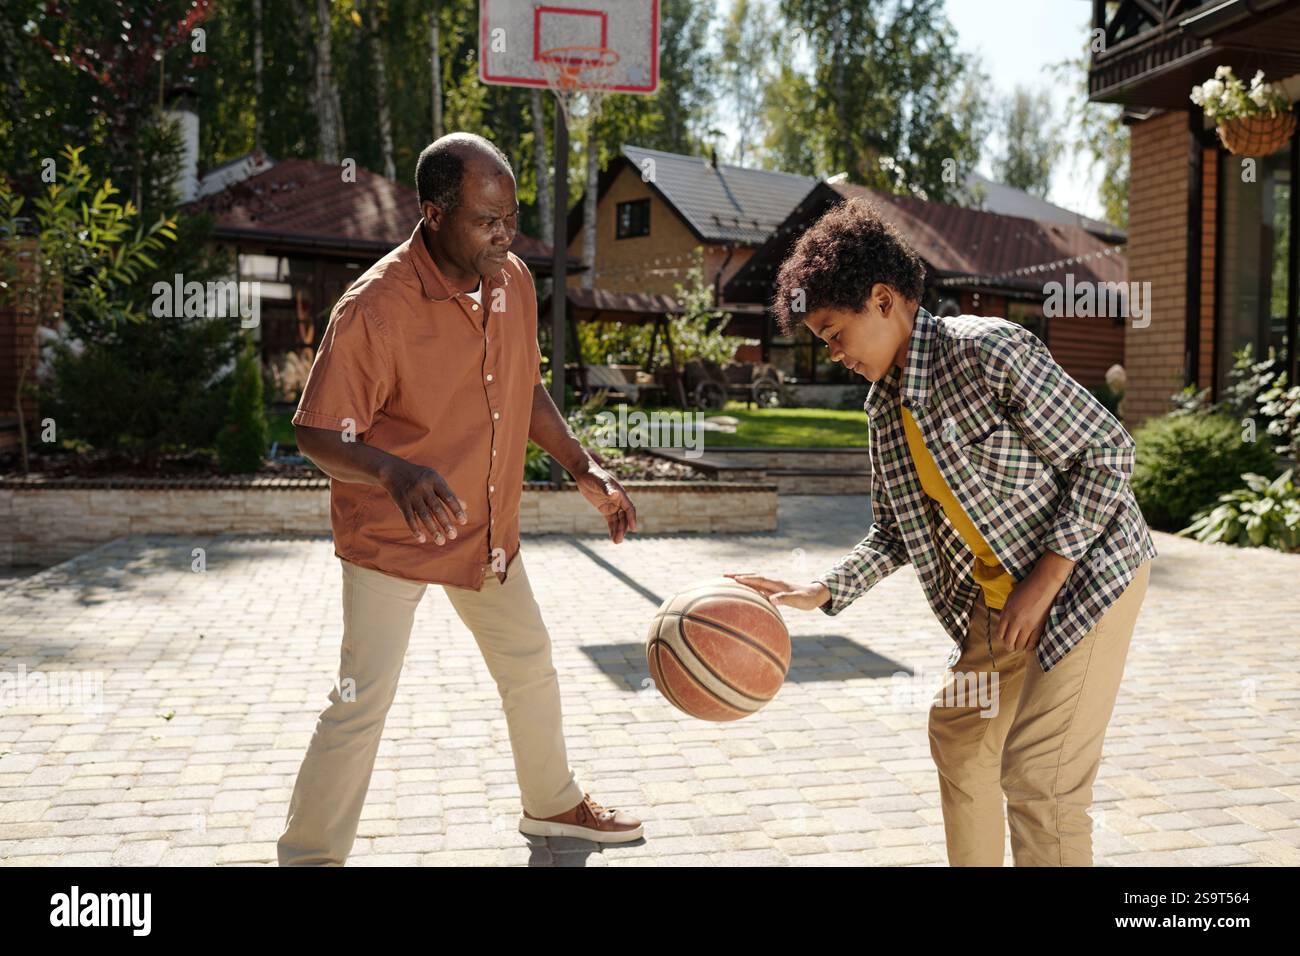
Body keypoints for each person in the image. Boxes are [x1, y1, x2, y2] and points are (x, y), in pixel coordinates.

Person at [726, 197, 1157, 866]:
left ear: (883, 300)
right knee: (961, 736)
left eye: (835, 332)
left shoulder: (987, 352)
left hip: (1088, 577)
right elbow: (895, 534)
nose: (835, 353)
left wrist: (1045, 582)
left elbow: (1108, 453)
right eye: (823, 342)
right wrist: (820, 588)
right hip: (1001, 605)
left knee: (1039, 778)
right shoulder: (884, 411)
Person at [277, 133, 643, 866]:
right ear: (434, 213)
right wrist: (392, 472)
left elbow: (526, 388)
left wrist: (583, 467)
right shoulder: (375, 308)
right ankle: (310, 858)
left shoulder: (510, 283)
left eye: (509, 219)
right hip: (392, 536)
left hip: (484, 531)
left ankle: (553, 805)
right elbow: (317, 433)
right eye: (486, 221)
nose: (504, 237)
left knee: (529, 659)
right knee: (361, 702)